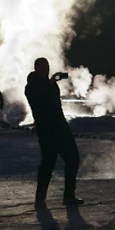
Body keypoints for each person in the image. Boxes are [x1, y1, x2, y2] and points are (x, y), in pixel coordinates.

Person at [25, 58, 83, 207]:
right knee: (48, 164)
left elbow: (56, 106)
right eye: (43, 67)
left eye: (48, 67)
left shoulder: (50, 85)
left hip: (60, 128)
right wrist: (49, 83)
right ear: (37, 69)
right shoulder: (31, 86)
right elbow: (39, 101)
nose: (47, 70)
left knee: (73, 159)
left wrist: (51, 84)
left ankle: (69, 196)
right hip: (47, 131)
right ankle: (40, 199)